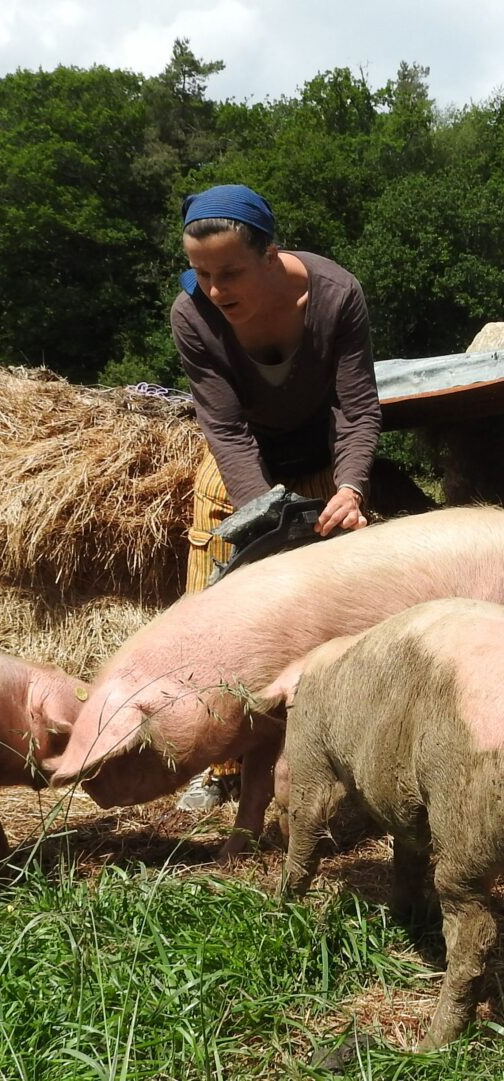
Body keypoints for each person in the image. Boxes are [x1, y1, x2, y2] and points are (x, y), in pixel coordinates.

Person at [171, 183, 382, 811]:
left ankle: (338, 756)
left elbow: (356, 408)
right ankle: (217, 764)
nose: (215, 290)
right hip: (242, 467)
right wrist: (263, 517)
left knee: (347, 597)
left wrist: (351, 487)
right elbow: (225, 429)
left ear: (270, 255)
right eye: (201, 273)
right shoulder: (192, 316)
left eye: (230, 272)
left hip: (322, 459)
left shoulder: (336, 294)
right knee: (218, 599)